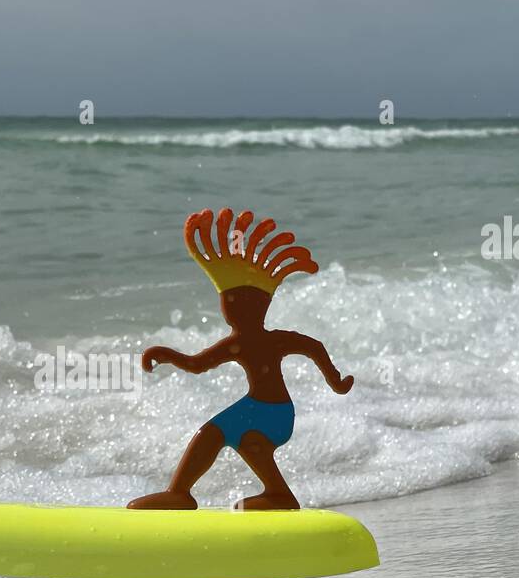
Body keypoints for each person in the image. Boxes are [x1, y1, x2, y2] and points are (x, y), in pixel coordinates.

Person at [128, 208, 353, 512]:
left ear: (250, 306)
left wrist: (335, 379)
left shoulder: (250, 342)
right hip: (267, 410)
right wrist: (334, 379)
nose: (227, 309)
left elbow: (312, 345)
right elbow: (312, 346)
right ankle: (265, 494)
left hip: (271, 414)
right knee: (242, 441)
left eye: (231, 302)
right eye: (227, 302)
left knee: (223, 435)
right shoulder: (254, 341)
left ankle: (183, 493)